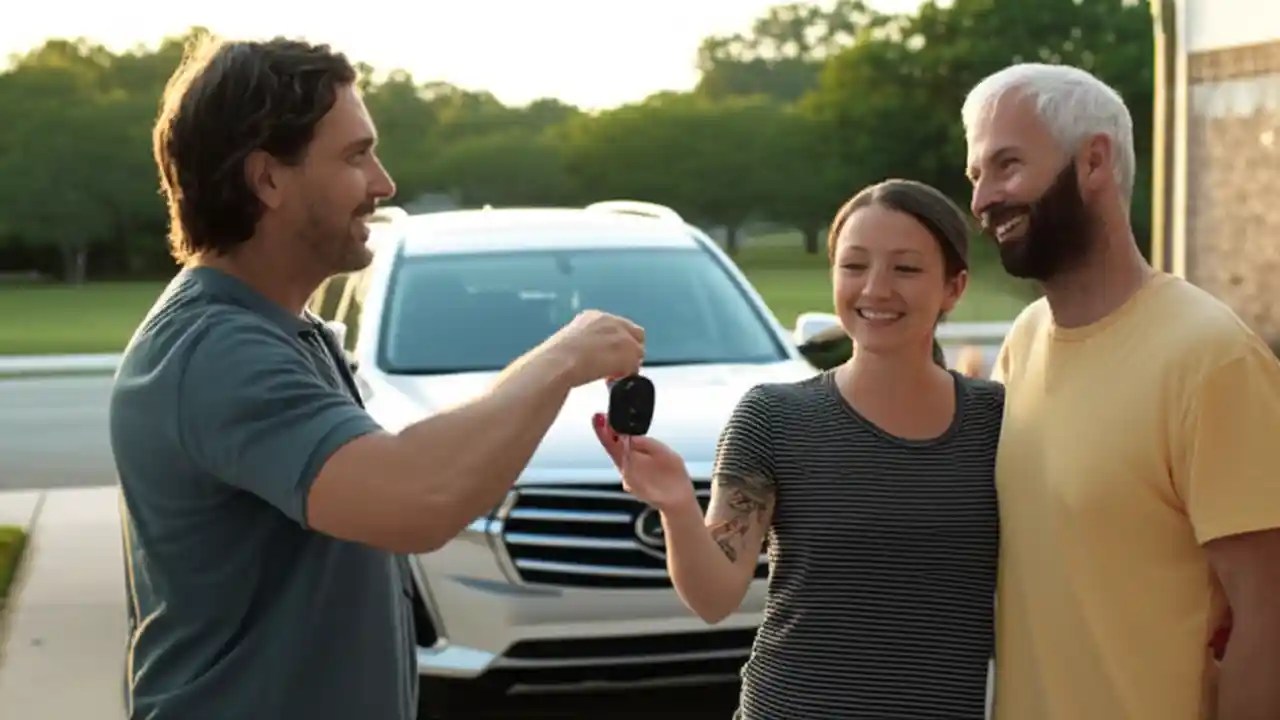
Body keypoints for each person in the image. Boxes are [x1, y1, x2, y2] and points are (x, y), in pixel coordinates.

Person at [108, 36, 644, 720]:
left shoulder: (278, 332)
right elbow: (417, 502)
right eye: (356, 155)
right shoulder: (216, 349)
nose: (384, 184)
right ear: (267, 179)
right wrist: (563, 359)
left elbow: (427, 488)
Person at [592, 179, 1005, 719]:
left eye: (905, 268)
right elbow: (714, 597)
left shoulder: (997, 420)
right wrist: (675, 507)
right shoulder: (774, 417)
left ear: (955, 287)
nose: (875, 290)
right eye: (854, 266)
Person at [962, 62, 1280, 720]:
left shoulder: (1212, 357)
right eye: (976, 176)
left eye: (1007, 165)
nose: (983, 199)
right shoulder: (1022, 342)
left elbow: (1268, 618)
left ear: (1095, 162)